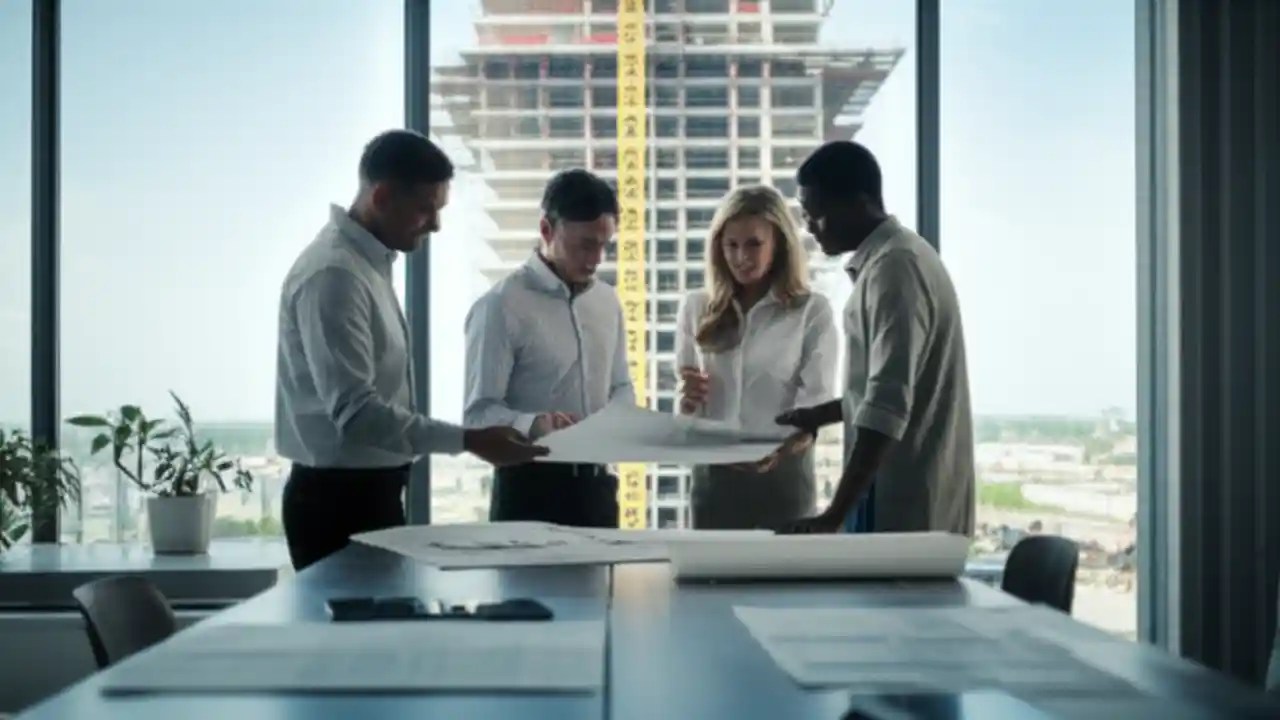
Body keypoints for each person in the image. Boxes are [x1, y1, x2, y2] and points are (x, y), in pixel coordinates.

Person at [275, 129, 547, 571]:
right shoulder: (335, 275)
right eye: (426, 209)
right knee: (359, 639)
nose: (435, 225)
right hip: (337, 503)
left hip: (365, 496)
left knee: (377, 636)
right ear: (381, 197)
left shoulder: (364, 265)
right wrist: (471, 440)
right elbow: (358, 415)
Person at [775, 141, 975, 536]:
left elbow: (887, 402)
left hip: (906, 502)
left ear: (860, 203)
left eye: (819, 214)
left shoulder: (895, 269)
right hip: (897, 498)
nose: (811, 227)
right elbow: (882, 386)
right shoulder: (891, 261)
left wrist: (833, 515)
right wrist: (823, 414)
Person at [463, 168, 633, 527]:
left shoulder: (607, 302)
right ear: (546, 230)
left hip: (599, 489)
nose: (597, 258)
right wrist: (535, 425)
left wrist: (620, 418)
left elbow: (620, 385)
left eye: (605, 245)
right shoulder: (500, 306)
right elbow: (477, 416)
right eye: (585, 244)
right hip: (529, 492)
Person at [675, 185, 838, 529]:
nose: (740, 257)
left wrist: (777, 453)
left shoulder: (812, 312)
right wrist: (687, 402)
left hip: (783, 480)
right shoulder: (695, 309)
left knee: (784, 581)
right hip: (713, 483)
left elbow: (815, 407)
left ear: (778, 243)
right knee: (712, 580)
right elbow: (689, 413)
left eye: (753, 244)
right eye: (730, 245)